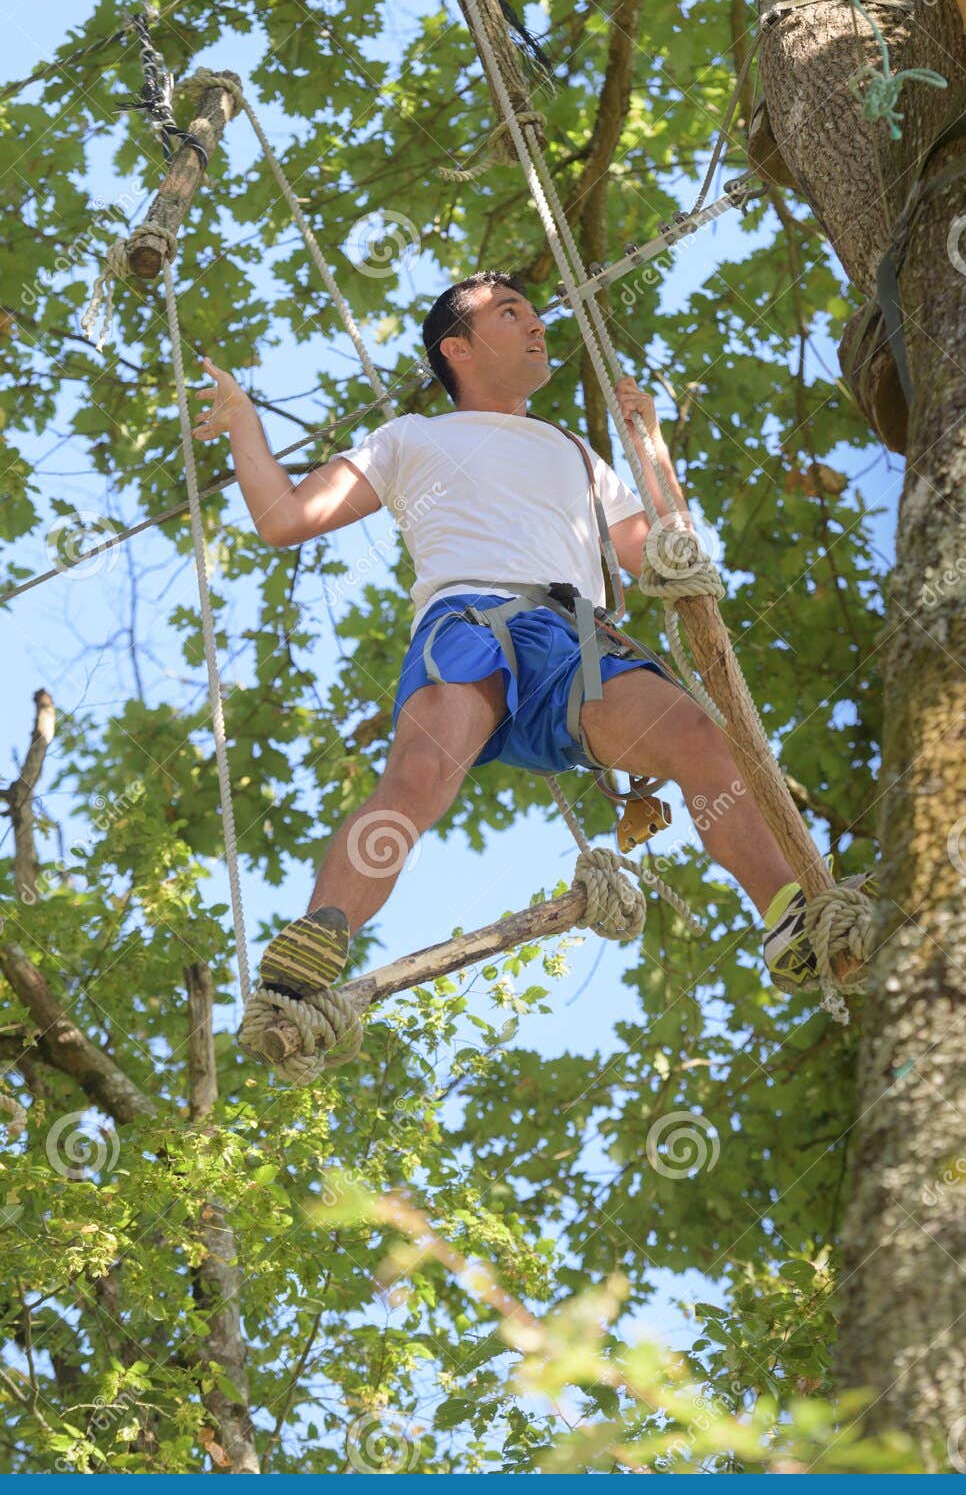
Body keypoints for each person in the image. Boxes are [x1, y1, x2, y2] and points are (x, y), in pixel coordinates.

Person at [193, 270, 824, 1002]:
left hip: (573, 642)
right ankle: (315, 946)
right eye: (510, 313)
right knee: (419, 775)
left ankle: (790, 921)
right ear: (456, 348)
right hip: (469, 623)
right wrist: (244, 423)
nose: (536, 325)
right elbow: (285, 520)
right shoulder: (411, 439)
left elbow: (669, 558)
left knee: (701, 740)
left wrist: (651, 451)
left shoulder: (577, 457)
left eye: (533, 313)